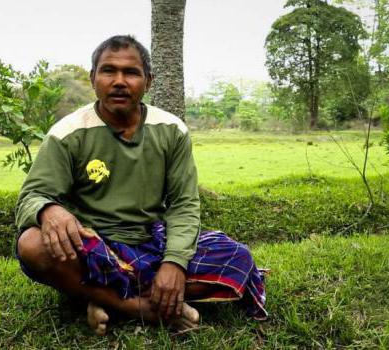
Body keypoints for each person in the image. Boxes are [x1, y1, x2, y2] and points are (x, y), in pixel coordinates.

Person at [15, 35, 266, 335]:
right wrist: (49, 210)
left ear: (148, 81)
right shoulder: (68, 133)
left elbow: (183, 204)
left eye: (131, 72)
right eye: (109, 71)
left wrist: (174, 264)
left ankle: (99, 296)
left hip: (152, 239)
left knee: (238, 257)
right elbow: (32, 195)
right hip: (95, 244)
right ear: (94, 78)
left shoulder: (171, 130)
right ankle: (137, 307)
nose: (119, 81)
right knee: (32, 244)